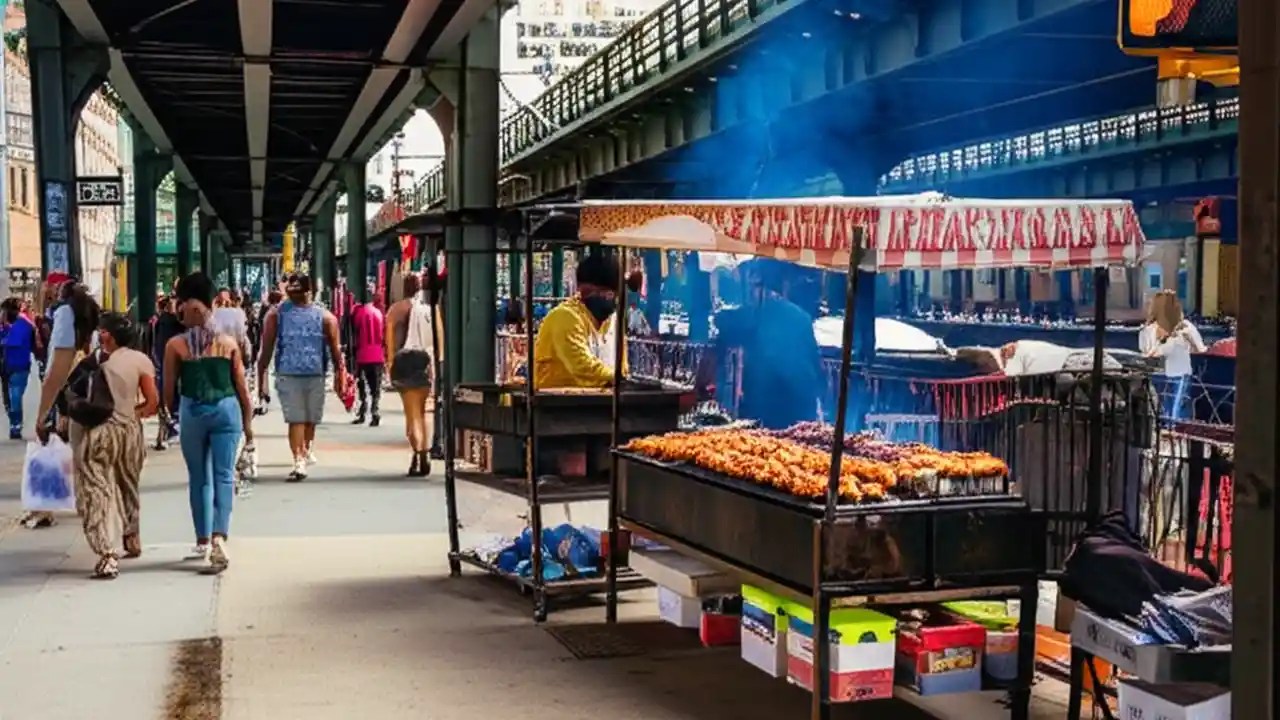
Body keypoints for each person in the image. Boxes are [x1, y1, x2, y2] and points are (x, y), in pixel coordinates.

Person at [164, 272, 254, 572]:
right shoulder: (228, 344)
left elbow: (168, 389)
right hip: (227, 411)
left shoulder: (175, 346)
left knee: (199, 477)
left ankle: (202, 539)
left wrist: (166, 415)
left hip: (193, 411)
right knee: (224, 476)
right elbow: (242, 388)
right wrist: (249, 425)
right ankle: (219, 537)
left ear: (189, 304)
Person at [72, 313, 158, 579]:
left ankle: (106, 553)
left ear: (107, 335)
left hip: (101, 432)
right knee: (129, 485)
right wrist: (134, 412)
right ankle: (132, 537)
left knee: (95, 491)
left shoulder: (96, 362)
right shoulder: (141, 360)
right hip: (130, 429)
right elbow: (152, 402)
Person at [712, 259, 823, 430]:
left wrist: (714, 308)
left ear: (760, 285)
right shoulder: (802, 317)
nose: (750, 291)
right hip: (802, 408)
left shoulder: (758, 314)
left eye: (752, 284)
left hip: (772, 407)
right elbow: (817, 367)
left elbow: (724, 323)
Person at [257, 273, 345, 482]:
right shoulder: (324, 317)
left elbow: (266, 351)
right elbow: (335, 350)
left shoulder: (276, 315)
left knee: (307, 418)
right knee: (299, 418)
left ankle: (304, 451)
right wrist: (340, 372)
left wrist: (261, 374)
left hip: (300, 372)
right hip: (303, 373)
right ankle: (299, 458)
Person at [532, 253, 629, 389]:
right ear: (584, 291)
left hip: (601, 403)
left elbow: (622, 367)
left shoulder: (613, 322)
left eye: (614, 295)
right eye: (608, 294)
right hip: (557, 406)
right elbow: (581, 367)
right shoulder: (564, 317)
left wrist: (622, 379)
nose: (612, 299)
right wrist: (618, 379)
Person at [384, 273, 440, 475]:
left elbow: (390, 343)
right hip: (426, 362)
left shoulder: (395, 310)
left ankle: (419, 453)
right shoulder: (430, 310)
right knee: (425, 412)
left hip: (405, 362)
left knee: (412, 414)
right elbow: (439, 341)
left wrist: (390, 366)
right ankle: (424, 448)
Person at [1139, 290, 1206, 421]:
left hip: (1178, 373)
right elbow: (1147, 353)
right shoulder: (1149, 330)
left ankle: (1173, 431)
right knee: (1163, 409)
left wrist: (1187, 340)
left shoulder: (1186, 328)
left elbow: (1200, 349)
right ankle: (1168, 430)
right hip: (1161, 374)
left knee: (1175, 409)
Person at [2, 298, 38, 439]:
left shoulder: (21, 326)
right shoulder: (10, 326)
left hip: (19, 365)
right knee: (10, 397)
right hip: (9, 366)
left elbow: (14, 342)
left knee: (15, 396)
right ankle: (14, 422)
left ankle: (15, 424)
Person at [351, 293, 385, 426]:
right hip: (377, 354)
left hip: (362, 354)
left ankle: (363, 410)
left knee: (362, 385)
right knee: (376, 386)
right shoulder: (378, 313)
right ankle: (375, 410)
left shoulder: (358, 313)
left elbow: (354, 333)